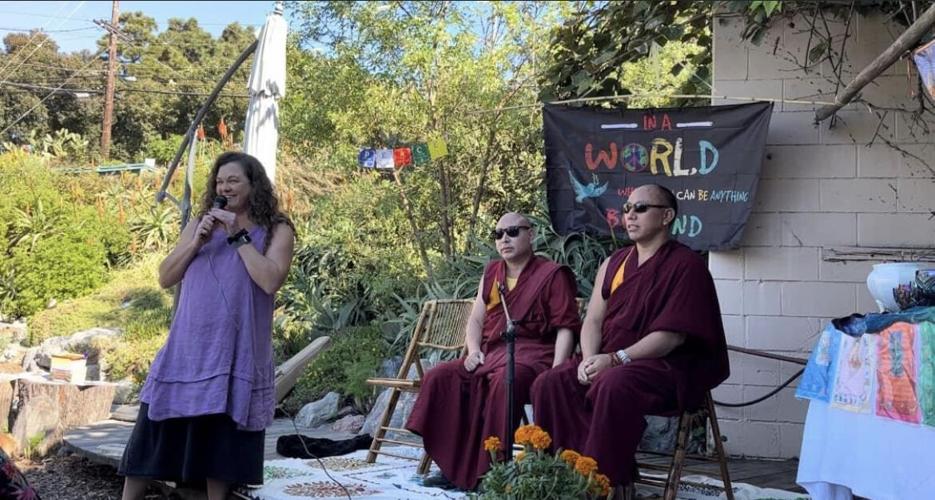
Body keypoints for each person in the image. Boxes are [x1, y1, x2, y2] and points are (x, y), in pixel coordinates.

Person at [119, 152, 295, 500]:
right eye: (219, 181)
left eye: (233, 180)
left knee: (221, 448)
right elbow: (166, 277)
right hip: (187, 349)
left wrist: (238, 235)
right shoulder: (200, 222)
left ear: (253, 184)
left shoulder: (277, 229)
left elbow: (270, 281)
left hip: (235, 351)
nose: (224, 187)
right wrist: (197, 241)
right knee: (148, 442)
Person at [531, 184, 729, 489]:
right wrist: (587, 359)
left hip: (663, 366)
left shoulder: (686, 266)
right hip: (609, 358)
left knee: (614, 383)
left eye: (640, 208)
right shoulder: (615, 263)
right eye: (627, 209)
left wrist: (616, 359)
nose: (630, 215)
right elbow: (593, 319)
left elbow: (672, 336)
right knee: (551, 382)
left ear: (666, 216)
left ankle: (601, 484)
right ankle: (561, 477)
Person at [405, 212, 581, 490]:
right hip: (492, 352)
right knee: (441, 377)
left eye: (512, 232)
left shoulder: (551, 275)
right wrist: (473, 350)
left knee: (504, 382)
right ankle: (453, 467)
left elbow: (565, 327)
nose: (504, 239)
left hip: (535, 355)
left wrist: (558, 369)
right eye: (498, 234)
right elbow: (476, 319)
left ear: (531, 234)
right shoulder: (491, 272)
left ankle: (490, 470)